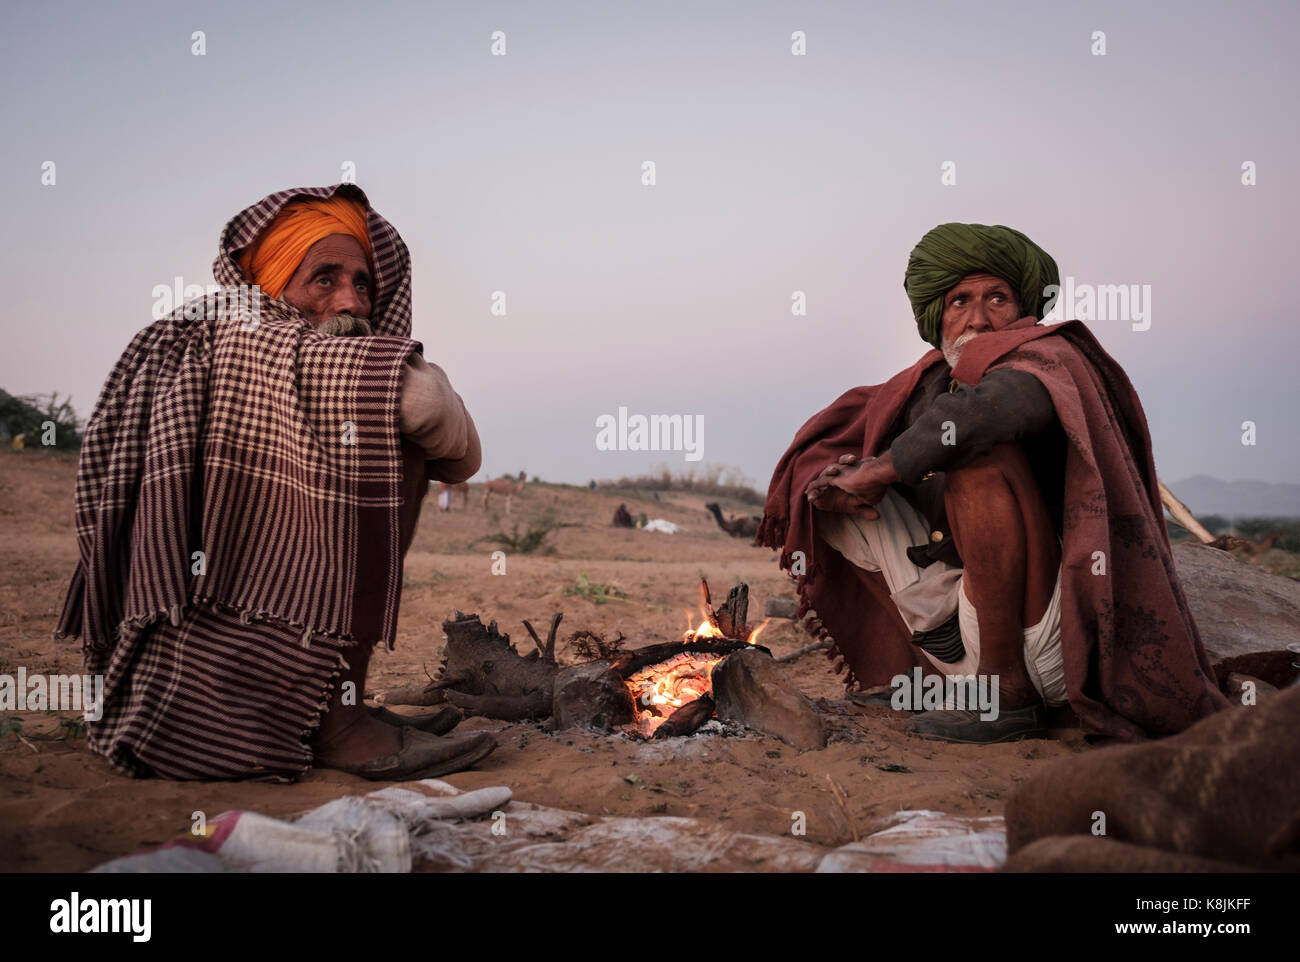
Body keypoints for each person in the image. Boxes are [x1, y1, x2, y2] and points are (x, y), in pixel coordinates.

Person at [55, 184, 494, 780]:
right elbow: (427, 410)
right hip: (206, 594)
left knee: (378, 433)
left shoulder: (300, 343)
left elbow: (461, 456)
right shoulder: (245, 331)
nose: (351, 301)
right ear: (274, 282)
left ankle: (332, 707)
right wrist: (416, 380)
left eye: (362, 282)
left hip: (240, 563)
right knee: (384, 432)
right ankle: (338, 730)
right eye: (324, 278)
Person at [758, 223, 1228, 743]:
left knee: (978, 456)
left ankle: (1007, 695)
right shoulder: (924, 385)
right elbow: (847, 441)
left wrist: (885, 468)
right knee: (823, 484)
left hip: (1051, 638)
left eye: (997, 299)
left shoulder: (1049, 359)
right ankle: (924, 674)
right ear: (938, 316)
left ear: (1023, 311)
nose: (978, 319)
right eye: (959, 301)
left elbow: (991, 413)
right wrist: (849, 477)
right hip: (961, 621)